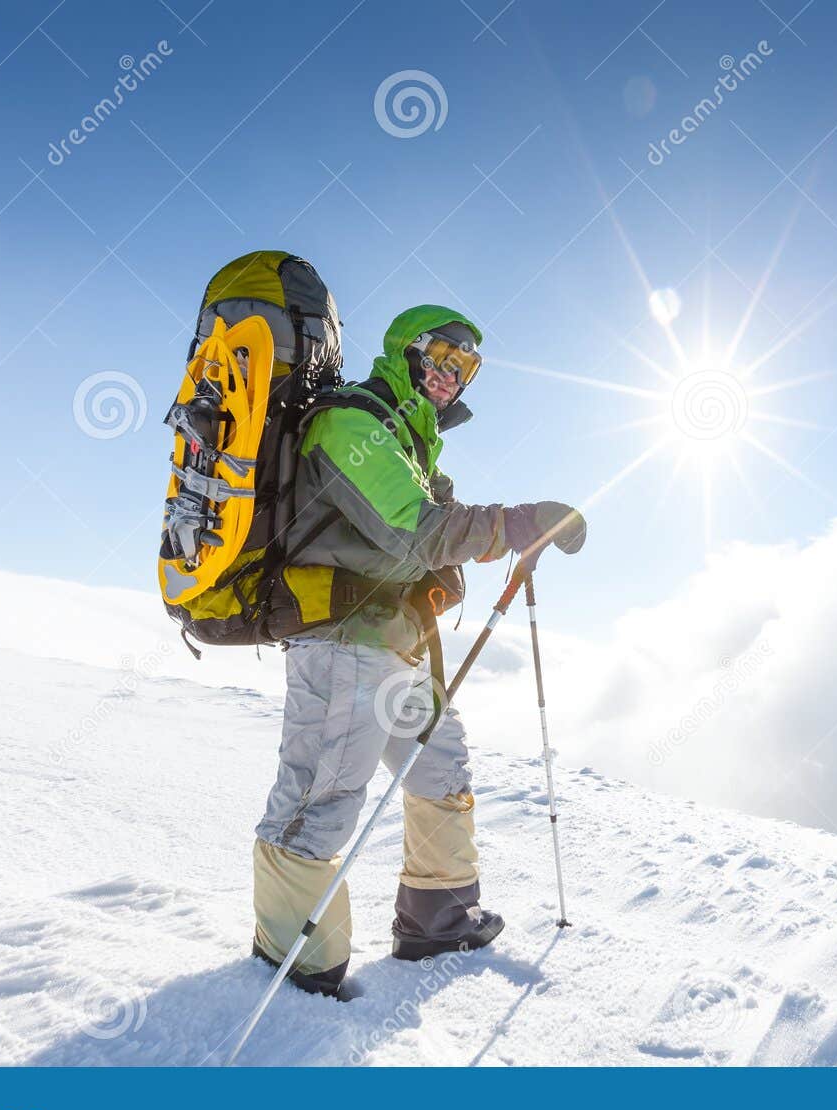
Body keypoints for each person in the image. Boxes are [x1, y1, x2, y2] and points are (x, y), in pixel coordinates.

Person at [250, 305, 585, 997]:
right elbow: (417, 530)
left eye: (465, 368)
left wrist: (507, 545)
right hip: (341, 641)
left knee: (441, 760)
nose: (450, 376)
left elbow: (440, 532)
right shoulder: (352, 425)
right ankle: (293, 961)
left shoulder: (413, 444)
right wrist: (524, 521)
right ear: (406, 351)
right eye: (440, 356)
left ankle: (439, 915)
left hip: (396, 642)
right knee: (323, 795)